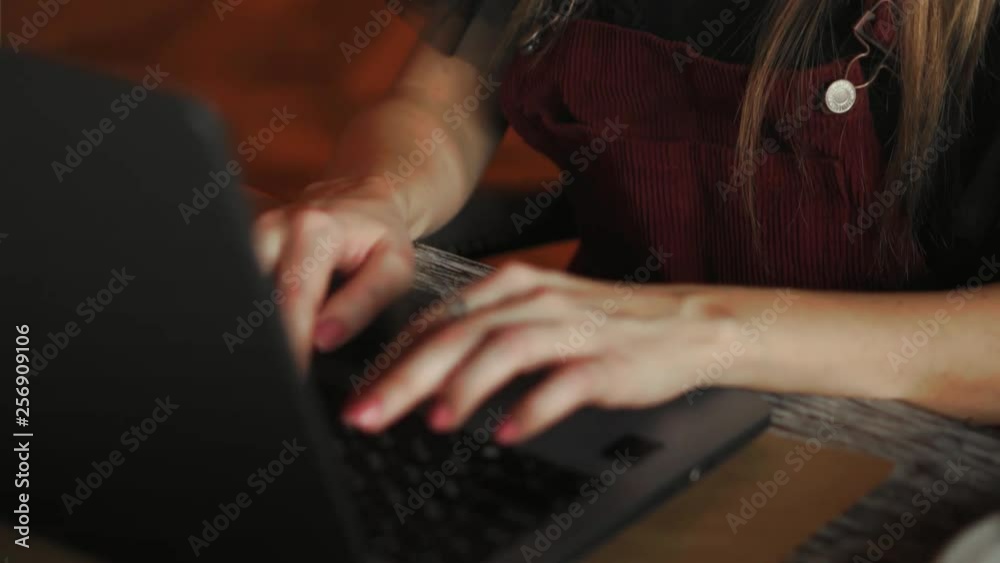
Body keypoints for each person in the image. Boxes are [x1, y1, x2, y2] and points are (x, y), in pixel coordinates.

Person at [252, 0, 1000, 444]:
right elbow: (435, 105)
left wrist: (711, 329)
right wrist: (377, 189)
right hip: (607, 406)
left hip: (911, 464)